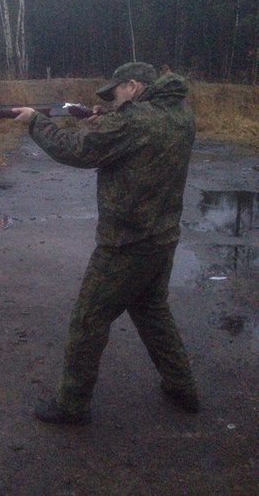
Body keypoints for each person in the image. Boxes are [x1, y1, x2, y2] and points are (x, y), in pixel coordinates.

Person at [12, 62, 199, 425]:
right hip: (162, 238)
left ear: (133, 85)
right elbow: (139, 142)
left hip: (125, 243)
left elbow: (75, 150)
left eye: (115, 93)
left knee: (88, 320)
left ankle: (72, 404)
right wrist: (107, 120)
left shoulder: (134, 121)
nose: (112, 101)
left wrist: (36, 121)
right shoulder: (180, 114)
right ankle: (183, 387)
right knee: (153, 313)